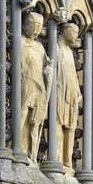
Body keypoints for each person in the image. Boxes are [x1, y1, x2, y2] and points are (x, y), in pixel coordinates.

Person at [20, 11, 52, 161]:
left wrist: (49, 69)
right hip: (25, 84)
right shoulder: (19, 42)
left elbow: (46, 64)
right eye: (34, 24)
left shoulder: (39, 46)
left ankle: (32, 154)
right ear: (26, 24)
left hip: (40, 87)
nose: (37, 28)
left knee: (36, 122)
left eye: (40, 26)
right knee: (22, 115)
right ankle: (18, 148)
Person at [56, 22, 82, 171]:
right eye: (74, 31)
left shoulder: (69, 52)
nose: (76, 35)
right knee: (58, 124)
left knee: (70, 127)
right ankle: (58, 158)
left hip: (71, 94)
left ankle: (67, 161)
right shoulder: (57, 48)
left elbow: (73, 74)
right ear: (65, 31)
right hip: (60, 93)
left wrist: (78, 92)